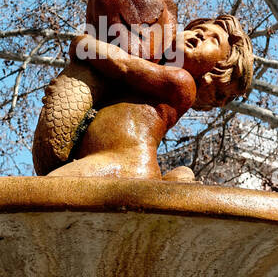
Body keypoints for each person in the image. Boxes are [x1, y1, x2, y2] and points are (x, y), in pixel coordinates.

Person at [47, 13, 254, 180]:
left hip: (124, 165)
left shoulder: (181, 83)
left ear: (215, 71)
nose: (200, 36)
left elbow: (123, 65)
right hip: (101, 160)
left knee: (49, 194)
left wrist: (83, 44)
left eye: (213, 40)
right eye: (198, 30)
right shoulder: (145, 82)